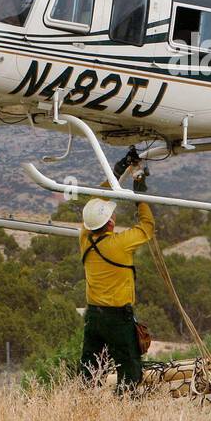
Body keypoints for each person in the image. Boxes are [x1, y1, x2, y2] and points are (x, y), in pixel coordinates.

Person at [78, 148, 154, 391]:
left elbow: (96, 203)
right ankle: (127, 409)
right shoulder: (120, 244)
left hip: (93, 316)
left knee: (90, 367)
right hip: (118, 318)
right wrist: (139, 190)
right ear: (110, 222)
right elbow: (147, 227)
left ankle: (87, 406)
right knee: (129, 368)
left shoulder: (84, 237)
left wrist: (118, 170)